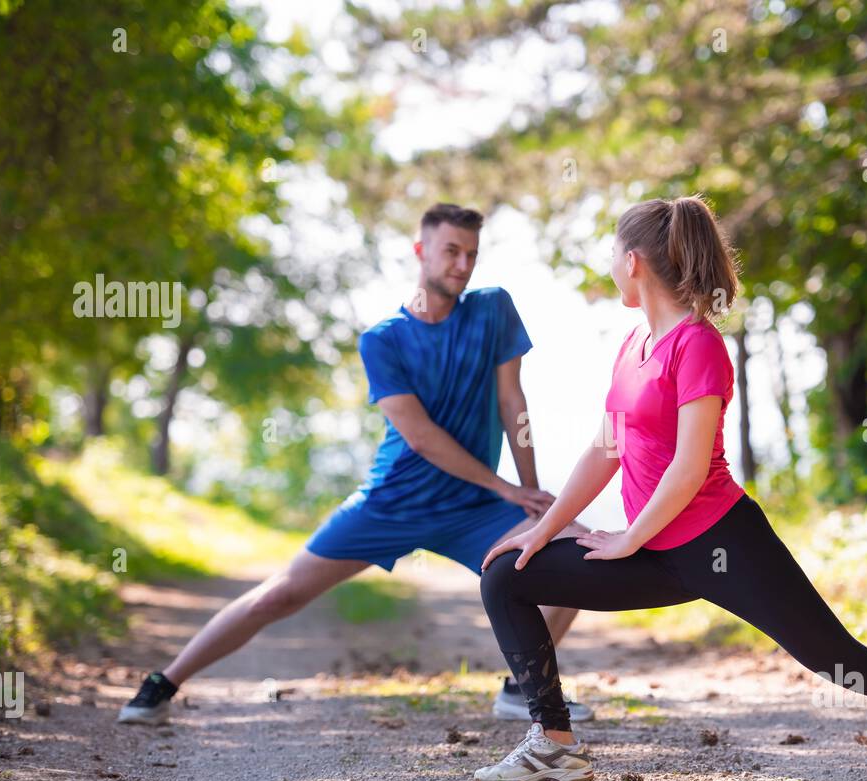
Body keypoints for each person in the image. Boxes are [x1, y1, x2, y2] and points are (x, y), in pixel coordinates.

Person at [473, 194, 867, 781]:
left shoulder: (698, 345)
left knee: (836, 657)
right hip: (651, 553)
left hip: (721, 541)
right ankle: (554, 743)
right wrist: (544, 529)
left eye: (614, 253)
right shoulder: (631, 349)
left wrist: (628, 537)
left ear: (634, 260)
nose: (611, 265)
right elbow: (606, 449)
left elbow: (689, 467)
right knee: (508, 575)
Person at [117, 202, 595, 726]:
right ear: (421, 252)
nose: (462, 264)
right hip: (391, 503)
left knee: (566, 550)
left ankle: (519, 687)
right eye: (451, 251)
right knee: (280, 596)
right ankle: (164, 682)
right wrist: (506, 488)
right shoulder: (383, 339)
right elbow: (420, 437)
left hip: (475, 507)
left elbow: (512, 403)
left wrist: (531, 497)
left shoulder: (494, 309)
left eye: (472, 254)